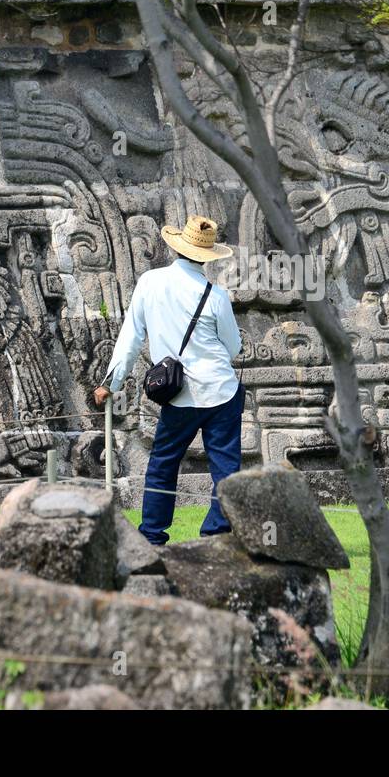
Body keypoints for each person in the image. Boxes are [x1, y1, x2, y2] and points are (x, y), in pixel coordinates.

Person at [94, 215, 243, 546]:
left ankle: (152, 536)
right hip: (221, 391)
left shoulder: (149, 282)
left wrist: (111, 383)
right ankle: (216, 532)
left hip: (178, 394)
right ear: (207, 256)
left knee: (163, 464)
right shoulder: (215, 295)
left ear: (178, 248)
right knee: (226, 467)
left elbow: (130, 337)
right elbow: (233, 347)